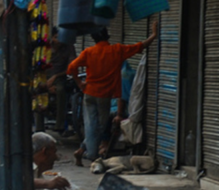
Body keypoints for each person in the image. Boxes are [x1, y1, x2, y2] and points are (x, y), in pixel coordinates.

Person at [67, 19, 158, 166]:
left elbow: (71, 68)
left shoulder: (88, 52)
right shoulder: (116, 50)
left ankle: (84, 150)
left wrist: (80, 83)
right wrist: (153, 35)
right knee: (100, 126)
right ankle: (91, 154)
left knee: (90, 125)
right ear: (107, 36)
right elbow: (140, 46)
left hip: (89, 93)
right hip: (104, 95)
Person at [31, 132, 95, 190]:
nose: (56, 157)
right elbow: (19, 182)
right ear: (44, 151)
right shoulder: (24, 170)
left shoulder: (37, 173)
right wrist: (47, 183)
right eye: (54, 152)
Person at [45, 27, 77, 133]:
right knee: (38, 91)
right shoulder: (46, 47)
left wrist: (56, 76)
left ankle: (60, 124)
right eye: (56, 37)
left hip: (60, 77)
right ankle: (39, 127)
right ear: (52, 38)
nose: (58, 40)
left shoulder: (69, 47)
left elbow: (71, 66)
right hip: (45, 77)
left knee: (60, 90)